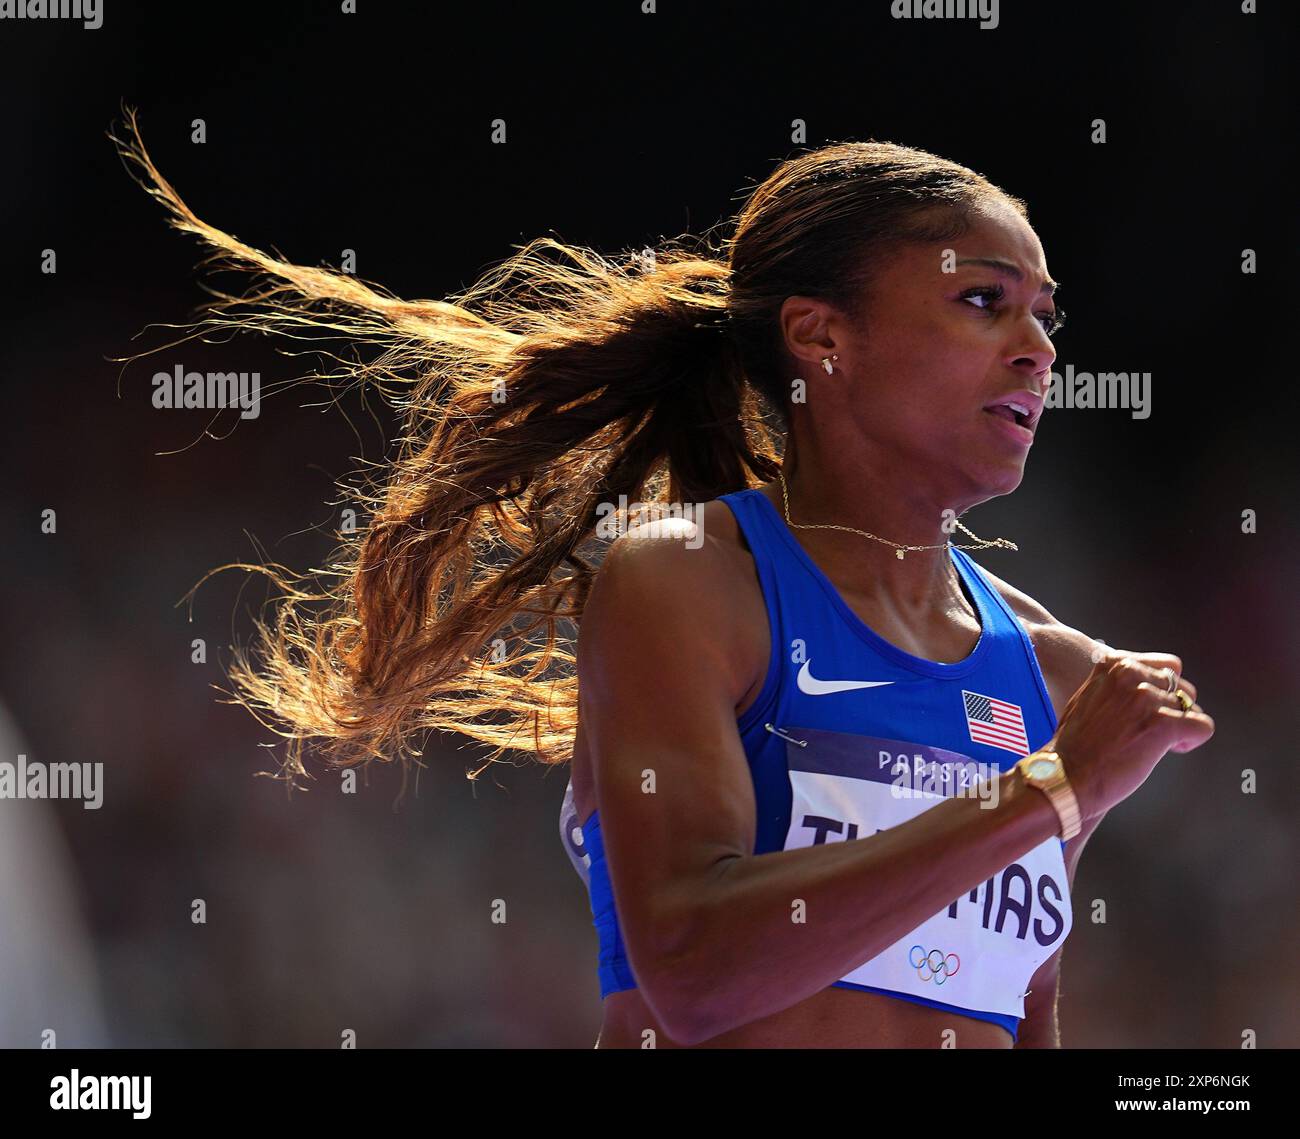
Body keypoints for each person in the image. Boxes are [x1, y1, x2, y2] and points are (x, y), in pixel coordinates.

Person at [116, 117, 1215, 1048]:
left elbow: (1018, 1006)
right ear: (821, 337)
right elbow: (694, 969)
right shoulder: (690, 582)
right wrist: (1047, 788)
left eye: (1044, 315)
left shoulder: (1062, 676)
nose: (1037, 347)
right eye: (985, 300)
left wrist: (1055, 785)